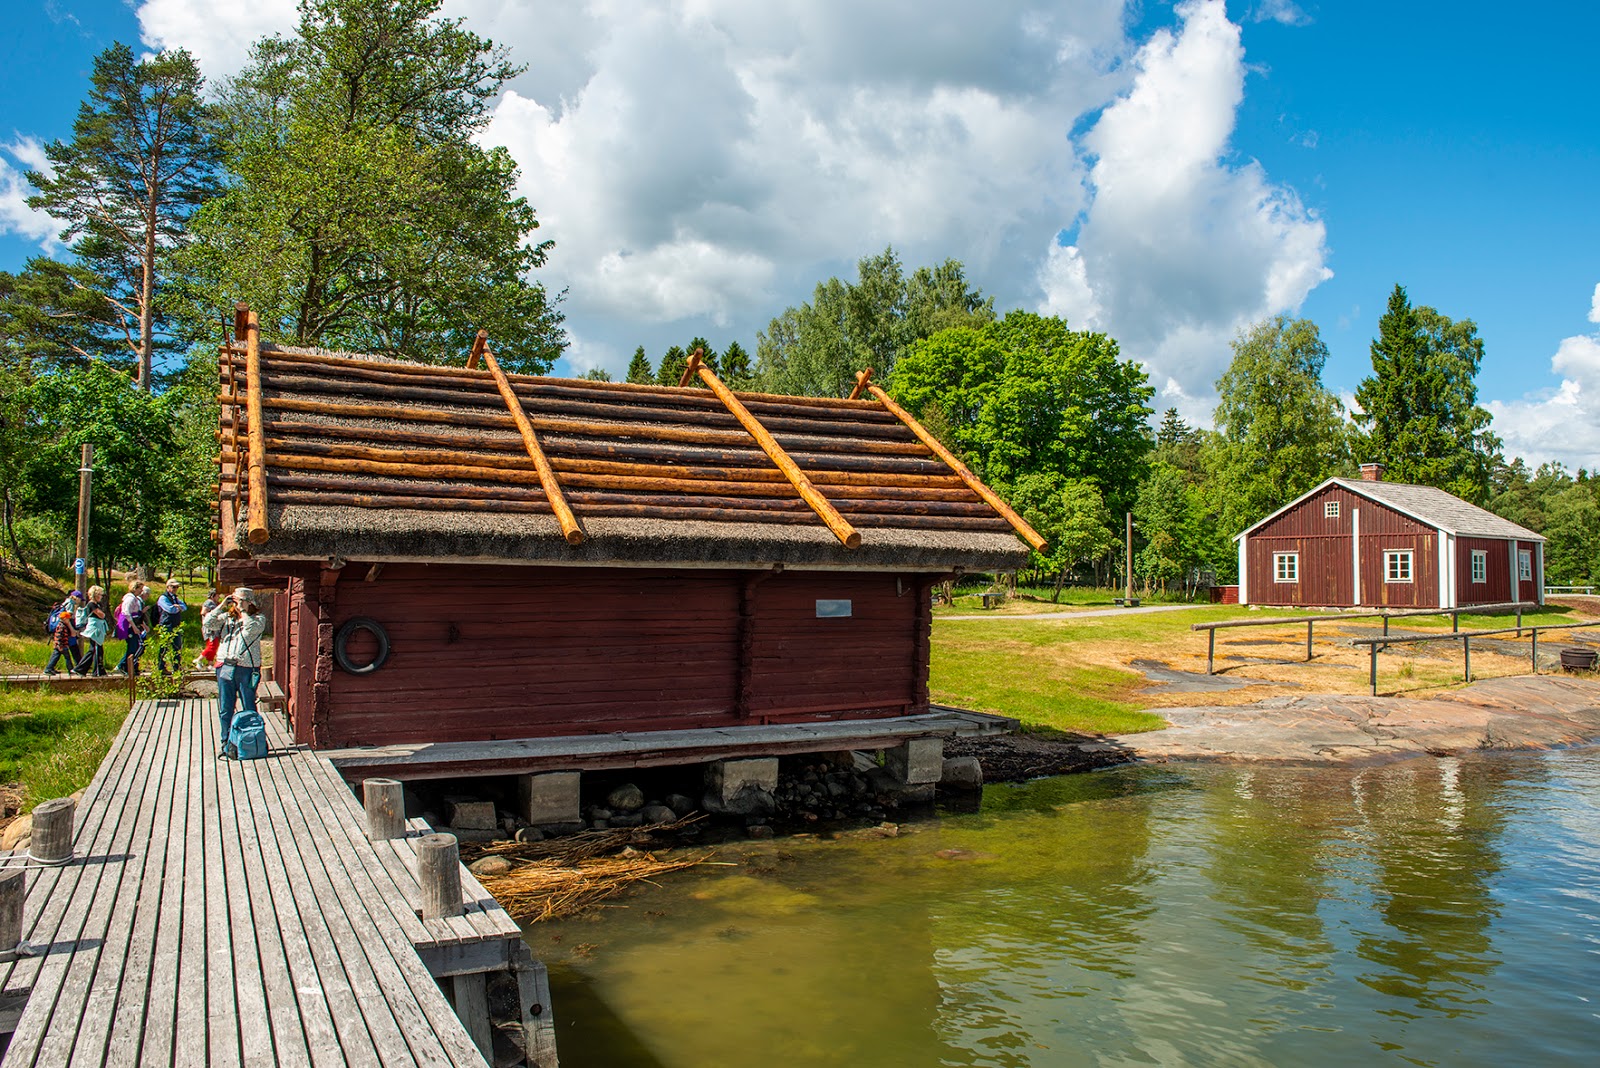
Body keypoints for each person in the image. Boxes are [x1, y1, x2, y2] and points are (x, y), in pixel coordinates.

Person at [206, 587, 266, 759]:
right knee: (225, 706)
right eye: (235, 600)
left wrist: (243, 612)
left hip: (248, 667)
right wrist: (221, 606)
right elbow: (208, 623)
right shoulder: (227, 619)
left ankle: (253, 740)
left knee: (249, 704)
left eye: (240, 600)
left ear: (249, 602)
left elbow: (250, 631)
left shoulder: (258, 619)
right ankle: (226, 742)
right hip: (226, 666)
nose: (236, 604)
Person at [74, 586, 110, 676]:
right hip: (94, 629)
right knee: (96, 649)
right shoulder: (92, 604)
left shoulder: (97, 604)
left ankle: (83, 669)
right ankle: (96, 671)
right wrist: (103, 614)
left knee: (95, 649)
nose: (101, 596)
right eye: (100, 594)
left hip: (97, 628)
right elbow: (101, 615)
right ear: (96, 595)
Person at [114, 579, 148, 676]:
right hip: (129, 626)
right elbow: (126, 613)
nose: (141, 591)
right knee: (133, 646)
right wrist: (133, 626)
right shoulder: (130, 599)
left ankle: (129, 667)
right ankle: (123, 665)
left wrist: (142, 625)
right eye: (140, 589)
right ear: (135, 588)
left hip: (134, 624)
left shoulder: (135, 598)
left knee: (136, 646)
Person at [155, 578, 188, 674]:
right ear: (168, 587)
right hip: (166, 625)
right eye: (173, 587)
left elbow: (185, 607)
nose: (175, 589)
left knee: (177, 647)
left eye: (177, 587)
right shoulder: (163, 598)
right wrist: (178, 607)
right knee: (164, 647)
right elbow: (170, 610)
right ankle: (161, 668)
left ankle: (176, 668)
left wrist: (178, 607)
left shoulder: (175, 598)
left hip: (175, 625)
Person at [43, 596, 79, 676]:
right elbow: (58, 637)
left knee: (55, 657)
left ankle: (49, 668)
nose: (69, 620)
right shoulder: (61, 627)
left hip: (61, 645)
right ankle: (70, 670)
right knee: (67, 658)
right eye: (68, 619)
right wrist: (60, 645)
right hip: (62, 645)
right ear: (64, 619)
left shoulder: (63, 625)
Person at [195, 588, 220, 669]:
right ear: (213, 596)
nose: (219, 597)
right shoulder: (209, 602)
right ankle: (199, 659)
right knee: (212, 645)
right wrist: (212, 616)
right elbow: (203, 612)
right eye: (217, 596)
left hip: (215, 628)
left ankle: (210, 664)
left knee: (213, 646)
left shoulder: (216, 603)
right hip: (210, 629)